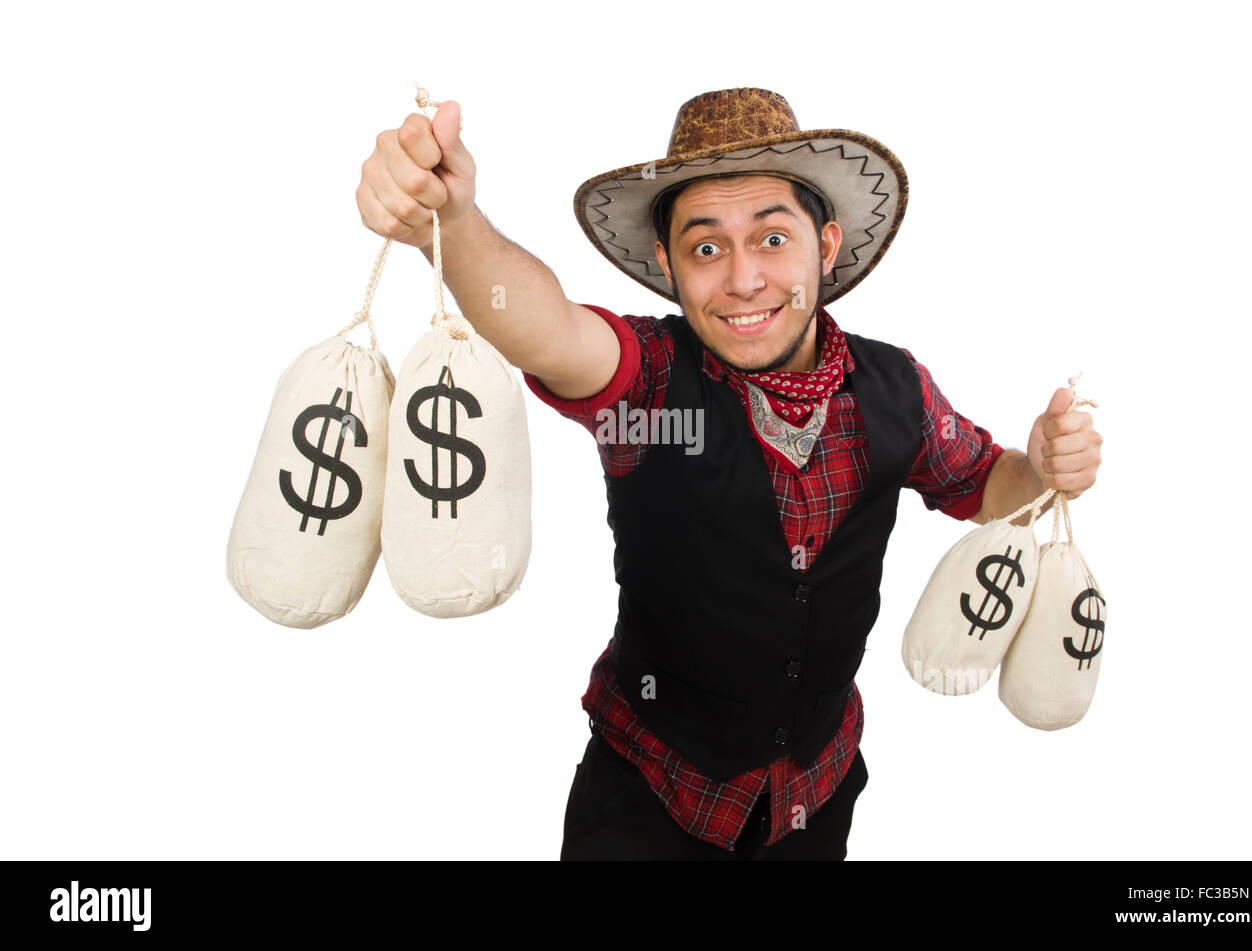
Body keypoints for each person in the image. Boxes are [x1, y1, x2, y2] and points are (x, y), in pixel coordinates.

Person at [356, 87, 1103, 860]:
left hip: (816, 795)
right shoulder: (647, 380)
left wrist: (1041, 465)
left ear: (828, 244)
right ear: (666, 264)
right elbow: (545, 328)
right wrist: (453, 223)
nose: (744, 280)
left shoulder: (898, 388)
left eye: (773, 239)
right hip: (647, 800)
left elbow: (987, 486)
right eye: (706, 248)